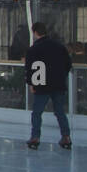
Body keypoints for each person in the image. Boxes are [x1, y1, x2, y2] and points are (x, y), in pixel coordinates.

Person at [25, 21, 73, 149]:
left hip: (42, 85)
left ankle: (35, 137)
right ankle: (66, 136)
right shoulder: (59, 46)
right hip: (58, 84)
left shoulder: (34, 49)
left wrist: (31, 83)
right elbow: (68, 64)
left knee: (37, 113)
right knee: (60, 112)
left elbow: (30, 68)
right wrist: (61, 76)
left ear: (35, 33)